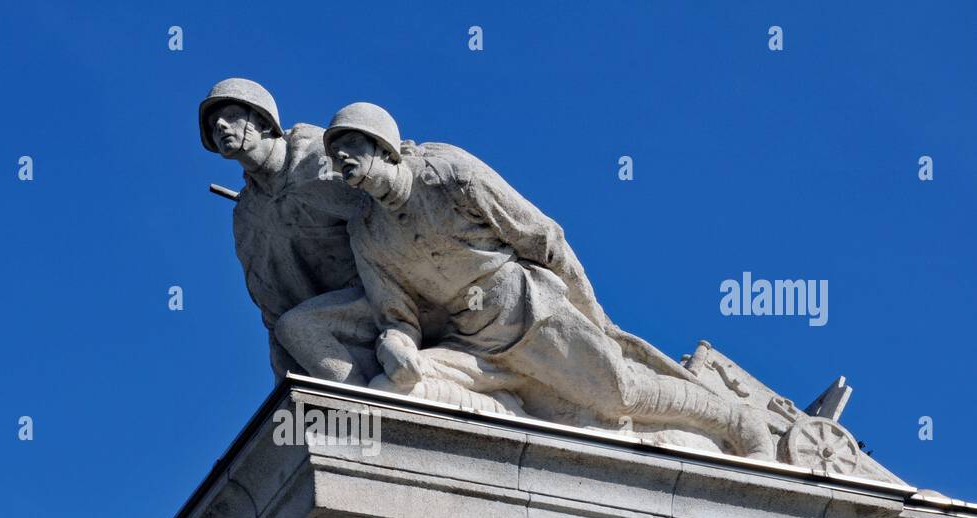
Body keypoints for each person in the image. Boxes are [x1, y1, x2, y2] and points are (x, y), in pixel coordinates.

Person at [278, 102, 772, 458]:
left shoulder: (450, 174)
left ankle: (730, 418)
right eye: (335, 151)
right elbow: (397, 315)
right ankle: (512, 417)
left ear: (384, 147)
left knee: (619, 393)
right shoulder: (368, 233)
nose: (342, 159)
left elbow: (543, 237)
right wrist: (399, 346)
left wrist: (589, 313)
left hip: (534, 317)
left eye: (352, 146)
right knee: (395, 387)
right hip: (467, 344)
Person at [199, 78, 373, 380]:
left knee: (295, 328)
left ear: (264, 121)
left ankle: (362, 408)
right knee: (286, 343)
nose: (222, 127)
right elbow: (271, 302)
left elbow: (386, 205)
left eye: (232, 116)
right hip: (326, 314)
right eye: (214, 124)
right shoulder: (249, 216)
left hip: (383, 292)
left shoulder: (319, 159)